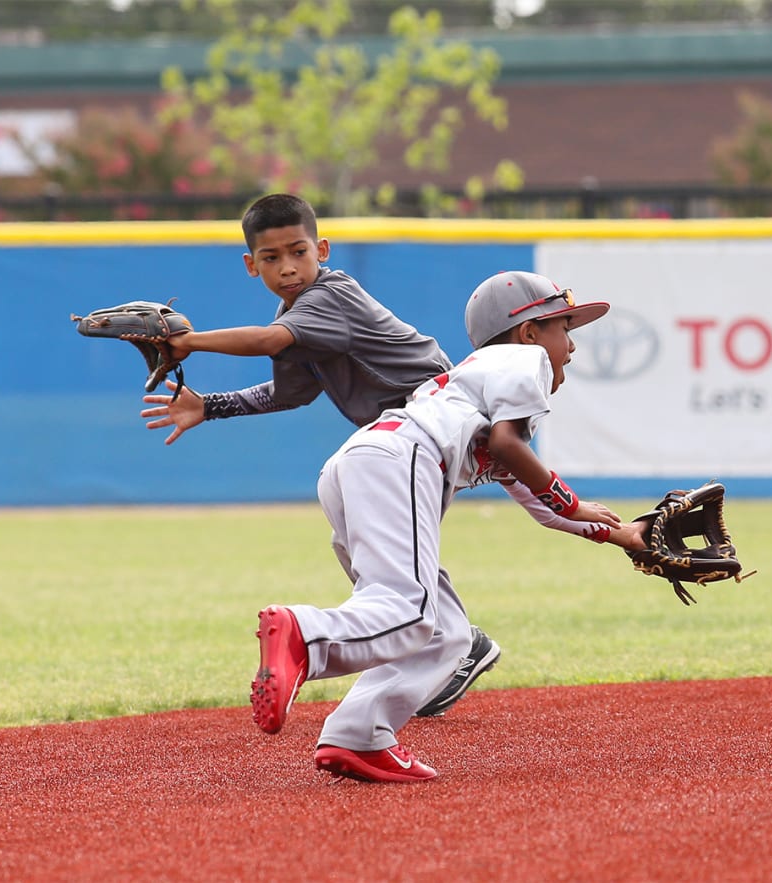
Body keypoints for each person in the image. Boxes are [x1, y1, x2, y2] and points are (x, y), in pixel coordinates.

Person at [250, 270, 648, 783]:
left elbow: (537, 498)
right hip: (402, 461)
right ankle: (305, 634)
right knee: (409, 611)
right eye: (562, 327)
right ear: (528, 333)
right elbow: (510, 448)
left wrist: (626, 536)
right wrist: (570, 501)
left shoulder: (482, 382)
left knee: (444, 633)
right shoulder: (524, 362)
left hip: (361, 465)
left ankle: (360, 736)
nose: (570, 344)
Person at [138, 192, 502, 719]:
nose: (287, 267)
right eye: (271, 257)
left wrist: (189, 343)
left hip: (438, 424)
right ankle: (457, 642)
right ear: (251, 264)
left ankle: (452, 644)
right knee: (368, 548)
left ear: (322, 249)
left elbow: (267, 341)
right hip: (404, 440)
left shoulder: (330, 295)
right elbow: (291, 392)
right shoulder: (296, 312)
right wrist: (210, 406)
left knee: (388, 557)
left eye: (298, 251)